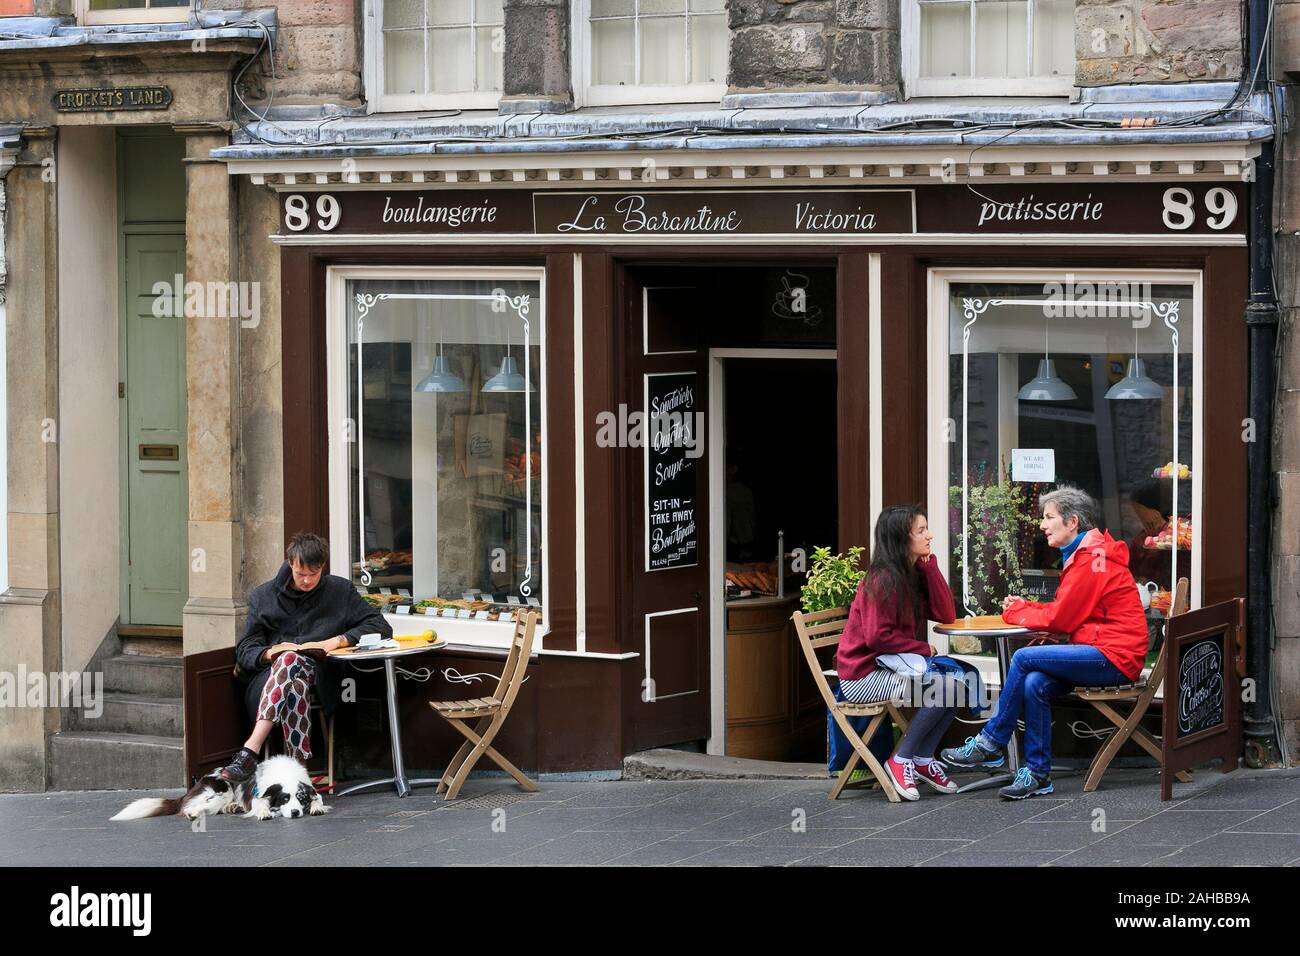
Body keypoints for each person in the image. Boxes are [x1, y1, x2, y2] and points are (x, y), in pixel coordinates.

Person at [941, 485, 1147, 799]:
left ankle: (990, 743)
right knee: (1034, 681)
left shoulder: (1092, 561)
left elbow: (1062, 621)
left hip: (1114, 658)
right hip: (1102, 650)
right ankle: (1037, 774)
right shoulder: (1087, 555)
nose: (1042, 525)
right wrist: (1024, 608)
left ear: (1072, 522)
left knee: (1023, 659)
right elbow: (1068, 612)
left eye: (1049, 517)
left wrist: (1018, 612)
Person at [217, 533, 393, 782]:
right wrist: (270, 653)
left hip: (321, 678)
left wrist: (336, 641)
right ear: (290, 563)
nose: (308, 580)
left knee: (292, 663)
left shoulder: (339, 591)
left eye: (315, 572)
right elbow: (245, 648)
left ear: (323, 566)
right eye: (301, 574)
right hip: (269, 680)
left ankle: (250, 750)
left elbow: (380, 625)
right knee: (292, 671)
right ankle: (298, 776)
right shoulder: (263, 596)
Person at [836, 505, 971, 800]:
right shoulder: (881, 579)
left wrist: (930, 565)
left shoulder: (910, 574)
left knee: (959, 686)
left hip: (890, 668)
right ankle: (901, 759)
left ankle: (921, 761)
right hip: (863, 676)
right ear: (901, 538)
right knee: (947, 687)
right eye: (921, 531)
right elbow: (876, 637)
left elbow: (946, 613)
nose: (930, 535)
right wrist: (922, 648)